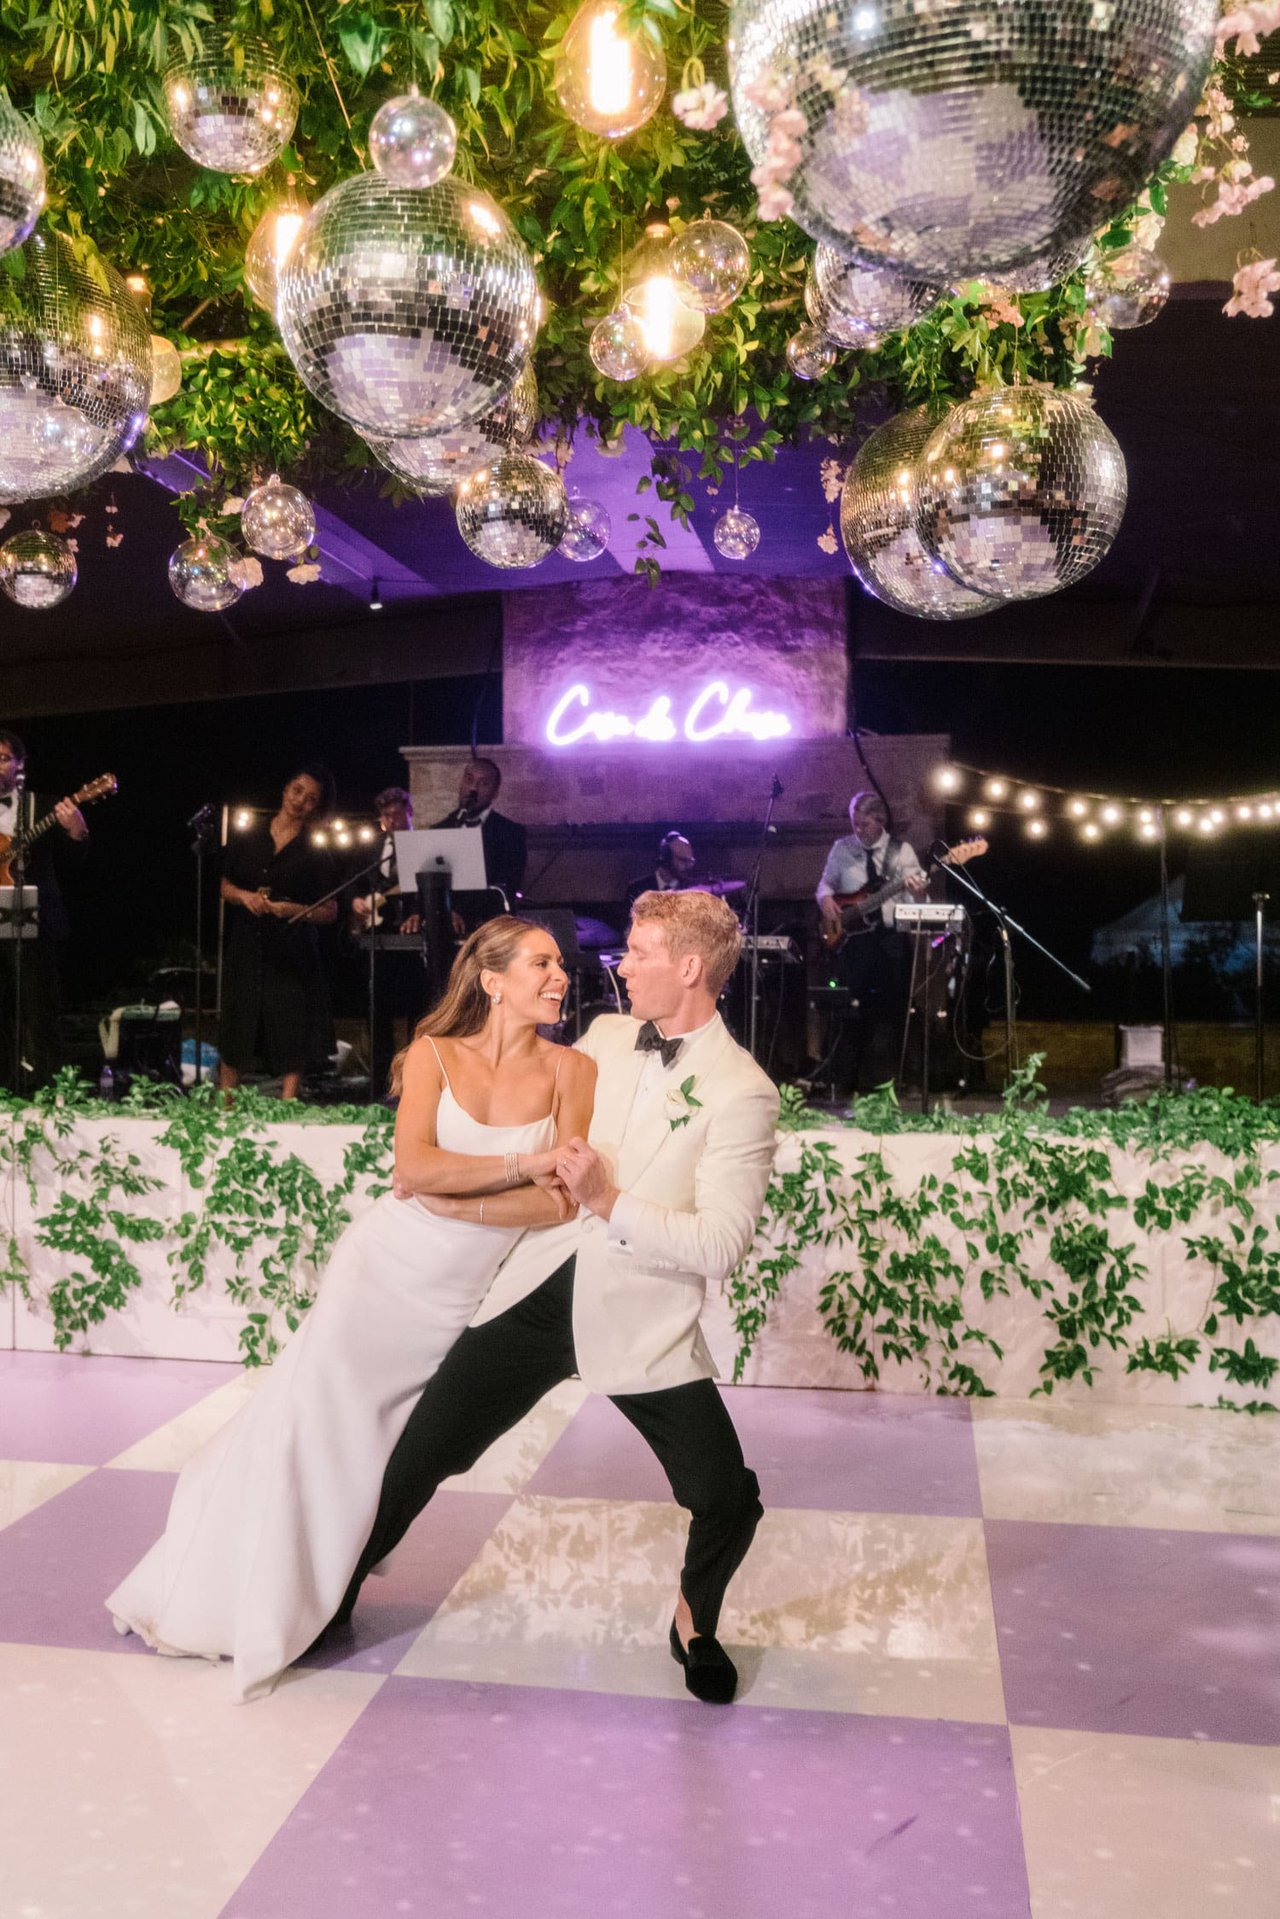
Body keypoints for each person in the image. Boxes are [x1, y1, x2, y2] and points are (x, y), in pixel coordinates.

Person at [106, 918, 595, 1700]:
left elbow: (561, 1203)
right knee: (312, 1426)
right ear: (493, 979)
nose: (560, 976)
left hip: (461, 1291)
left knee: (382, 1450)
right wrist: (520, 1164)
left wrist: (463, 1196)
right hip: (381, 1272)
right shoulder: (433, 1055)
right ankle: (247, 1596)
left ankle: (319, 1589)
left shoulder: (576, 1069)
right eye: (542, 962)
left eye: (561, 964)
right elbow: (412, 1166)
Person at [329, 889, 780, 1706]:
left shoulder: (742, 1089)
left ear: (687, 967)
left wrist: (610, 1202)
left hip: (642, 1316)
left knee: (725, 1496)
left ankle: (693, 1619)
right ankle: (331, 1594)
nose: (621, 962)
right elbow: (510, 1080)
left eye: (638, 951)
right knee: (420, 1454)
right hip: (539, 1290)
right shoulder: (605, 1036)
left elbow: (722, 1245)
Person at [218, 766, 339, 1101]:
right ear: (286, 789)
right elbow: (225, 886)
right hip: (247, 944)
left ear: (316, 807)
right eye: (298, 790)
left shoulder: (315, 849)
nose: (301, 801)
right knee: (237, 1022)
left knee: (291, 1024)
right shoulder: (251, 834)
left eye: (311, 798)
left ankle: (288, 1104)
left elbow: (330, 910)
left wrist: (292, 910)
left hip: (290, 950)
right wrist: (245, 898)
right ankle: (223, 1105)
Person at [815, 790, 928, 1098]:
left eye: (863, 823)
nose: (858, 829)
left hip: (890, 941)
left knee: (893, 1010)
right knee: (851, 1010)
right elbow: (826, 883)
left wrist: (918, 892)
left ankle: (888, 1083)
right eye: (854, 822)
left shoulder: (901, 852)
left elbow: (919, 900)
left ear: (879, 821)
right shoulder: (842, 848)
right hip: (854, 944)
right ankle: (844, 1081)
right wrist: (825, 899)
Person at [0, 728, 90, 1092]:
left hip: (34, 923)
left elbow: (73, 864)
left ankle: (46, 1091)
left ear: (20, 765)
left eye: (4, 758)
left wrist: (77, 832)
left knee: (39, 1010)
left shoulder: (44, 807)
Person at [351, 787, 426, 1094]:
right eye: (386, 815)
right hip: (376, 934)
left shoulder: (421, 846)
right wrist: (355, 901)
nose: (392, 820)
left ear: (408, 814)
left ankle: (415, 1075)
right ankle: (380, 1076)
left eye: (397, 814)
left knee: (415, 1007)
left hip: (409, 935)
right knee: (376, 1005)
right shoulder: (371, 849)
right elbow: (353, 880)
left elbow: (429, 886)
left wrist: (418, 914)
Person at [433, 756, 527, 905]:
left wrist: (460, 912)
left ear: (495, 793)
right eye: (469, 780)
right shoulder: (438, 830)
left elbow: (505, 889)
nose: (473, 789)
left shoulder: (511, 834)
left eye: (483, 783)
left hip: (488, 922)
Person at [623, 829, 696, 914]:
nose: (688, 866)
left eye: (690, 861)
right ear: (666, 858)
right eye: (683, 860)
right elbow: (628, 925)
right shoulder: (636, 889)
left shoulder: (693, 891)